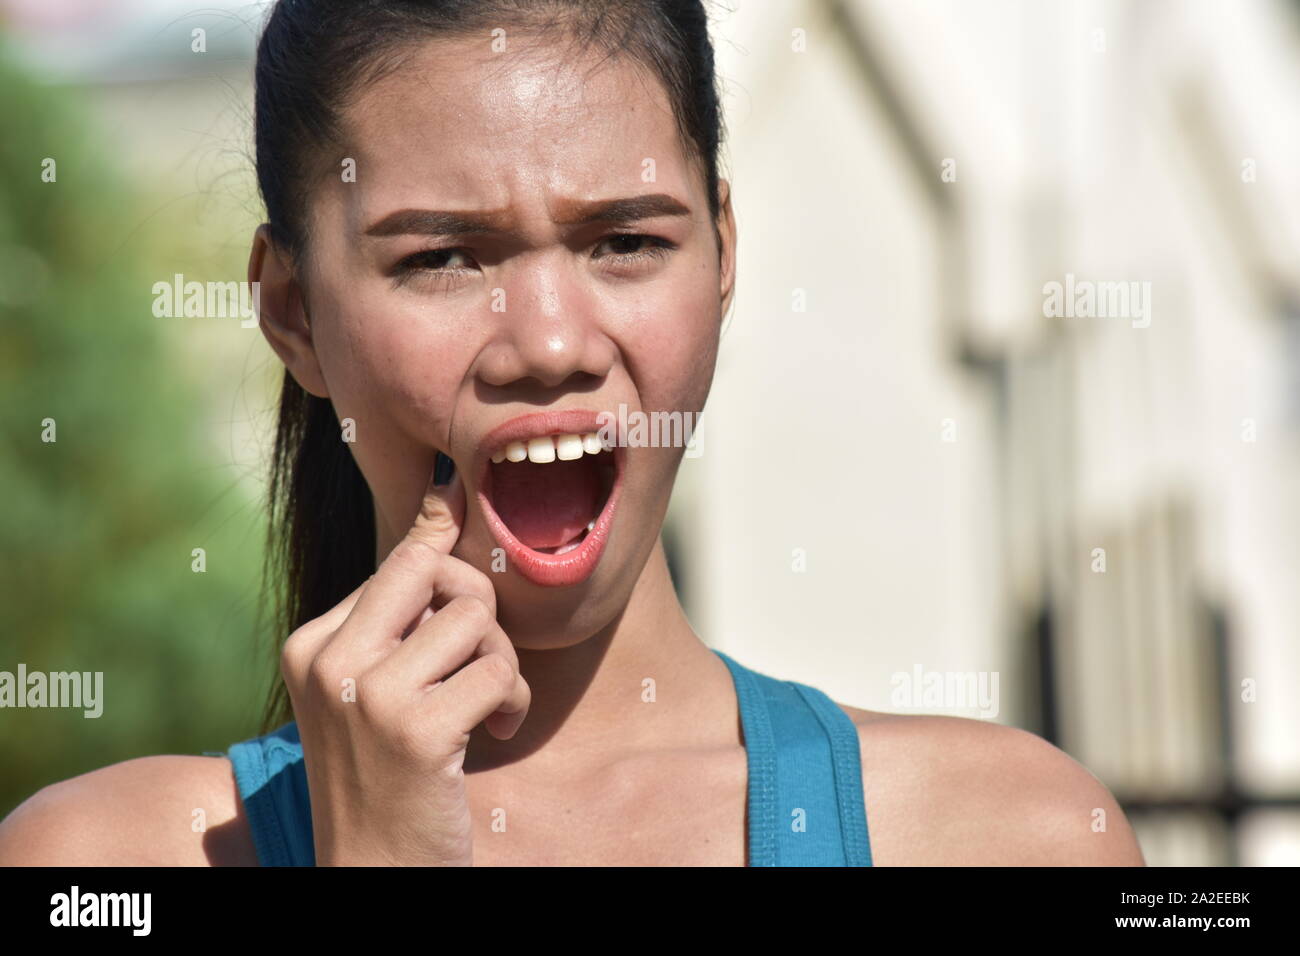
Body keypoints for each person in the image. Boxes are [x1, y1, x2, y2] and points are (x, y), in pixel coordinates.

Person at [0, 0, 1144, 866]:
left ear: (725, 251)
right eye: (441, 257)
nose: (548, 342)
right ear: (292, 312)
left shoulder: (1013, 833)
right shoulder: (105, 859)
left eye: (625, 240)